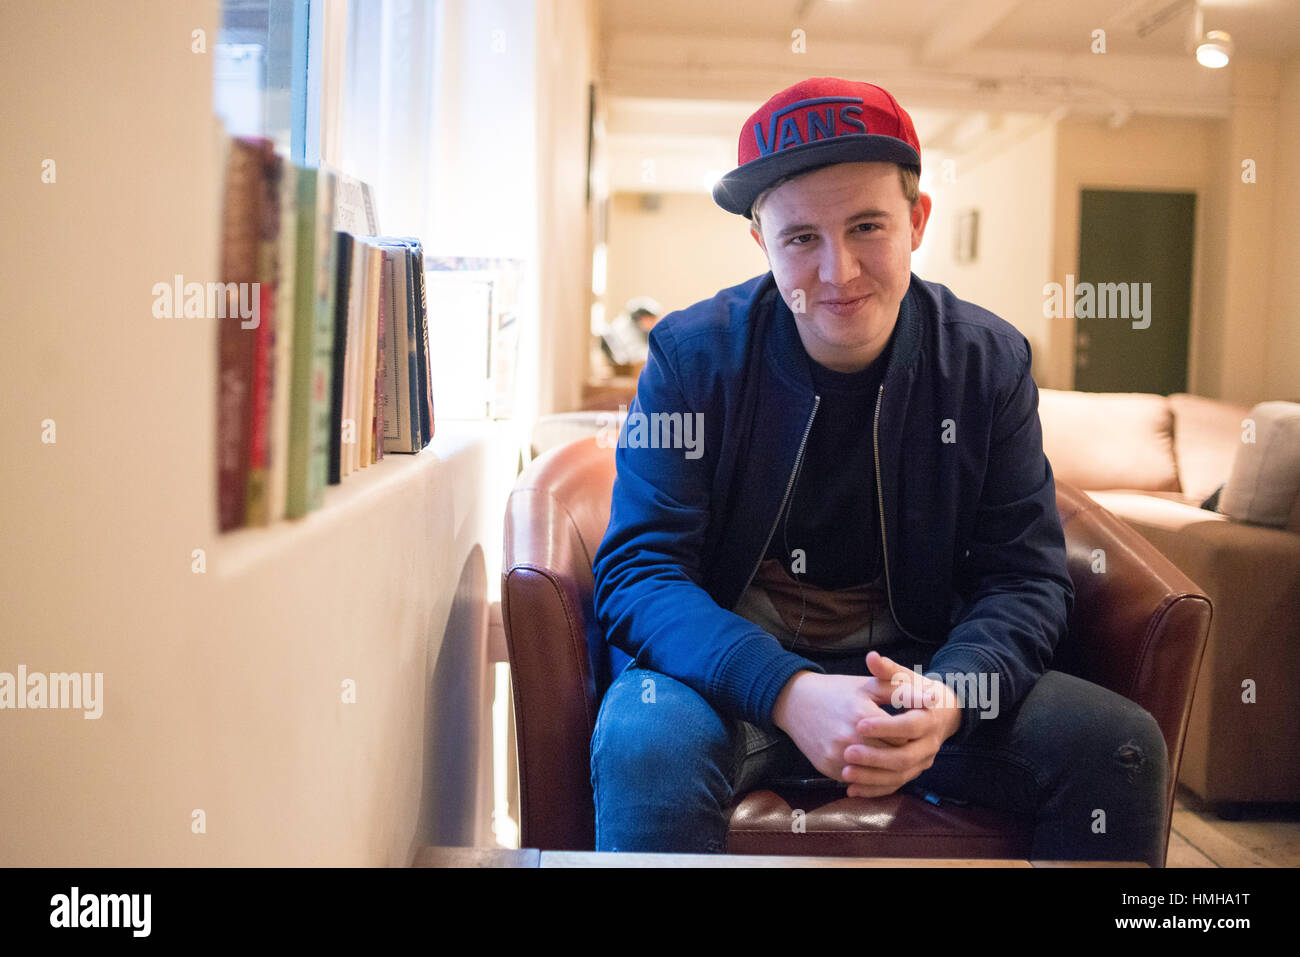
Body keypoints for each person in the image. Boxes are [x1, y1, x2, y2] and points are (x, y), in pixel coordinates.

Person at [589, 77, 1169, 866]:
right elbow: (639, 571)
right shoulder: (691, 357)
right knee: (643, 744)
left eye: (867, 225)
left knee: (1119, 745)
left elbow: (1024, 578)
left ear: (917, 220)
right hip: (730, 684)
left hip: (921, 674)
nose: (839, 270)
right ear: (761, 241)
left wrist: (953, 695)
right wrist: (789, 691)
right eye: (801, 238)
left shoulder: (987, 362)